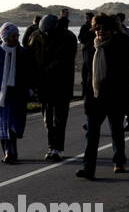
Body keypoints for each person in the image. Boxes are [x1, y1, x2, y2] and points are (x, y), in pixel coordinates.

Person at [77, 14, 129, 178]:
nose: (100, 32)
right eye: (97, 29)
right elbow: (86, 75)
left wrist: (125, 96)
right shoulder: (89, 48)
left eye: (104, 29)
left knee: (116, 130)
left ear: (111, 29)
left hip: (115, 96)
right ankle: (88, 168)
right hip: (95, 97)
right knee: (92, 133)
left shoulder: (121, 45)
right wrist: (85, 97)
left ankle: (119, 162)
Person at [30, 14, 77, 161]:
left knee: (60, 119)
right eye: (43, 31)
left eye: (47, 31)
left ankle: (58, 148)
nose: (45, 33)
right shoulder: (36, 36)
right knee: (47, 119)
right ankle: (51, 146)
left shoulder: (68, 37)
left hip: (62, 84)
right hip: (43, 85)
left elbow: (65, 60)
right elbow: (30, 56)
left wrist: (45, 69)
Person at [0, 22, 32, 164]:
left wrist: (30, 88)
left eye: (17, 35)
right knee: (3, 124)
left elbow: (29, 72)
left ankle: (12, 150)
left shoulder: (23, 52)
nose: (16, 38)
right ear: (5, 37)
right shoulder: (0, 52)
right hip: (2, 95)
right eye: (13, 36)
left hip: (17, 93)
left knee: (14, 124)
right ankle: (8, 152)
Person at [77, 11, 95, 100]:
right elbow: (80, 38)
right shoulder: (84, 27)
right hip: (86, 51)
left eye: (87, 17)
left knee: (91, 73)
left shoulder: (96, 27)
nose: (86, 19)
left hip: (93, 52)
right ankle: (84, 93)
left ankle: (91, 92)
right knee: (85, 73)